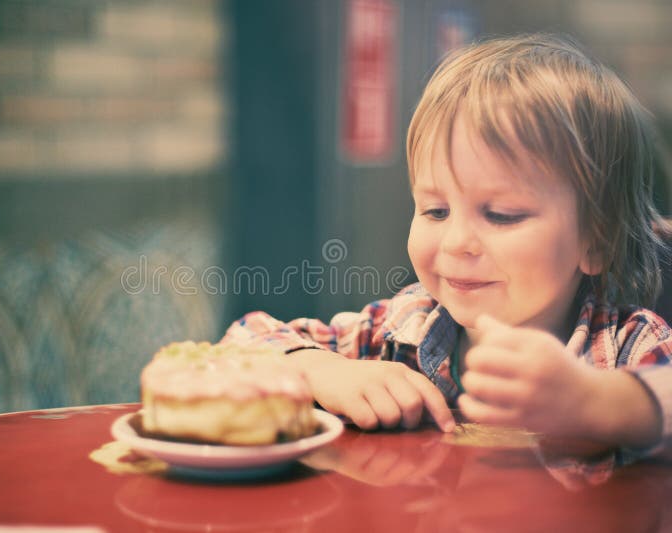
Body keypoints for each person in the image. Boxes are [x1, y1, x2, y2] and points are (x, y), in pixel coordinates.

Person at [222, 33, 672, 460]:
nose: (457, 242)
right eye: (436, 211)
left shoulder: (629, 346)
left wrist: (597, 403)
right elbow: (239, 342)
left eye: (501, 215)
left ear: (598, 240)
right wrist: (320, 371)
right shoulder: (400, 330)